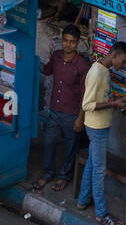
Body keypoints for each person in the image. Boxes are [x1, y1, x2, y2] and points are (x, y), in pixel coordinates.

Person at [76, 40, 126, 225]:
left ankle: (83, 200)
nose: (123, 65)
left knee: (93, 164)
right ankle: (101, 214)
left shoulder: (104, 69)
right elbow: (87, 105)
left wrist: (115, 101)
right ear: (114, 55)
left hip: (100, 125)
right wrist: (113, 104)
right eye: (123, 61)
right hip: (96, 127)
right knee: (99, 170)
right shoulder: (96, 73)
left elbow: (101, 97)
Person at [33, 24, 89, 191]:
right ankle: (48, 173)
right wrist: (31, 58)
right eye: (65, 41)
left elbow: (85, 95)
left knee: (70, 149)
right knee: (49, 143)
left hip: (72, 114)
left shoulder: (82, 66)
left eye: (72, 42)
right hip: (55, 110)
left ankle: (64, 176)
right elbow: (48, 70)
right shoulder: (57, 56)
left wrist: (80, 118)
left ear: (77, 43)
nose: (68, 45)